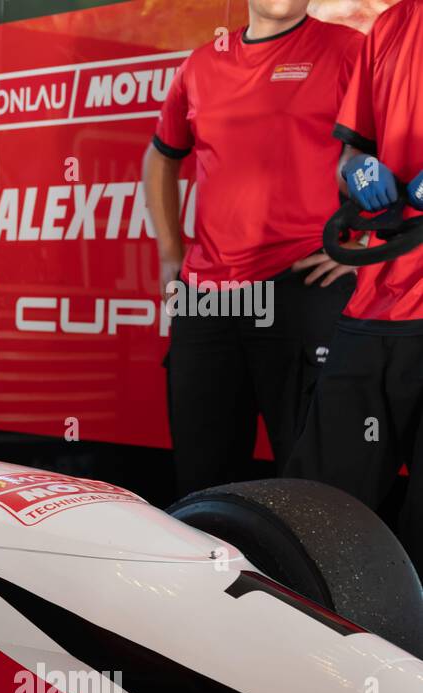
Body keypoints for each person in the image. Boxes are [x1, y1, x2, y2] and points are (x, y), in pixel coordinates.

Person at [143, 1, 363, 496]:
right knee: (202, 480)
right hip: (208, 298)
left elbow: (397, 144)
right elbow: (160, 156)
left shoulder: (347, 50)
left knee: (312, 483)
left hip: (301, 285)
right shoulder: (201, 65)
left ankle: (308, 577)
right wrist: (170, 254)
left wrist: (366, 242)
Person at [286, 0, 423, 567]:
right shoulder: (393, 24)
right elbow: (351, 151)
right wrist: (359, 171)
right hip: (374, 308)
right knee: (318, 517)